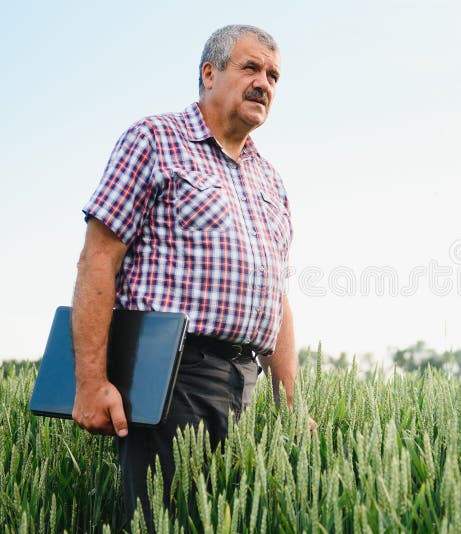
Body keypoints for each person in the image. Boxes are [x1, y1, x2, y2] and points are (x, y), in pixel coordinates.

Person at [70, 24, 305, 524]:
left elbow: (275, 294)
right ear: (209, 73)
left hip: (244, 383)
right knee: (164, 521)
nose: (264, 82)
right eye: (250, 68)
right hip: (170, 377)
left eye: (274, 75)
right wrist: (90, 382)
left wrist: (292, 401)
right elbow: (98, 258)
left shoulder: (270, 179)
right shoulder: (154, 140)